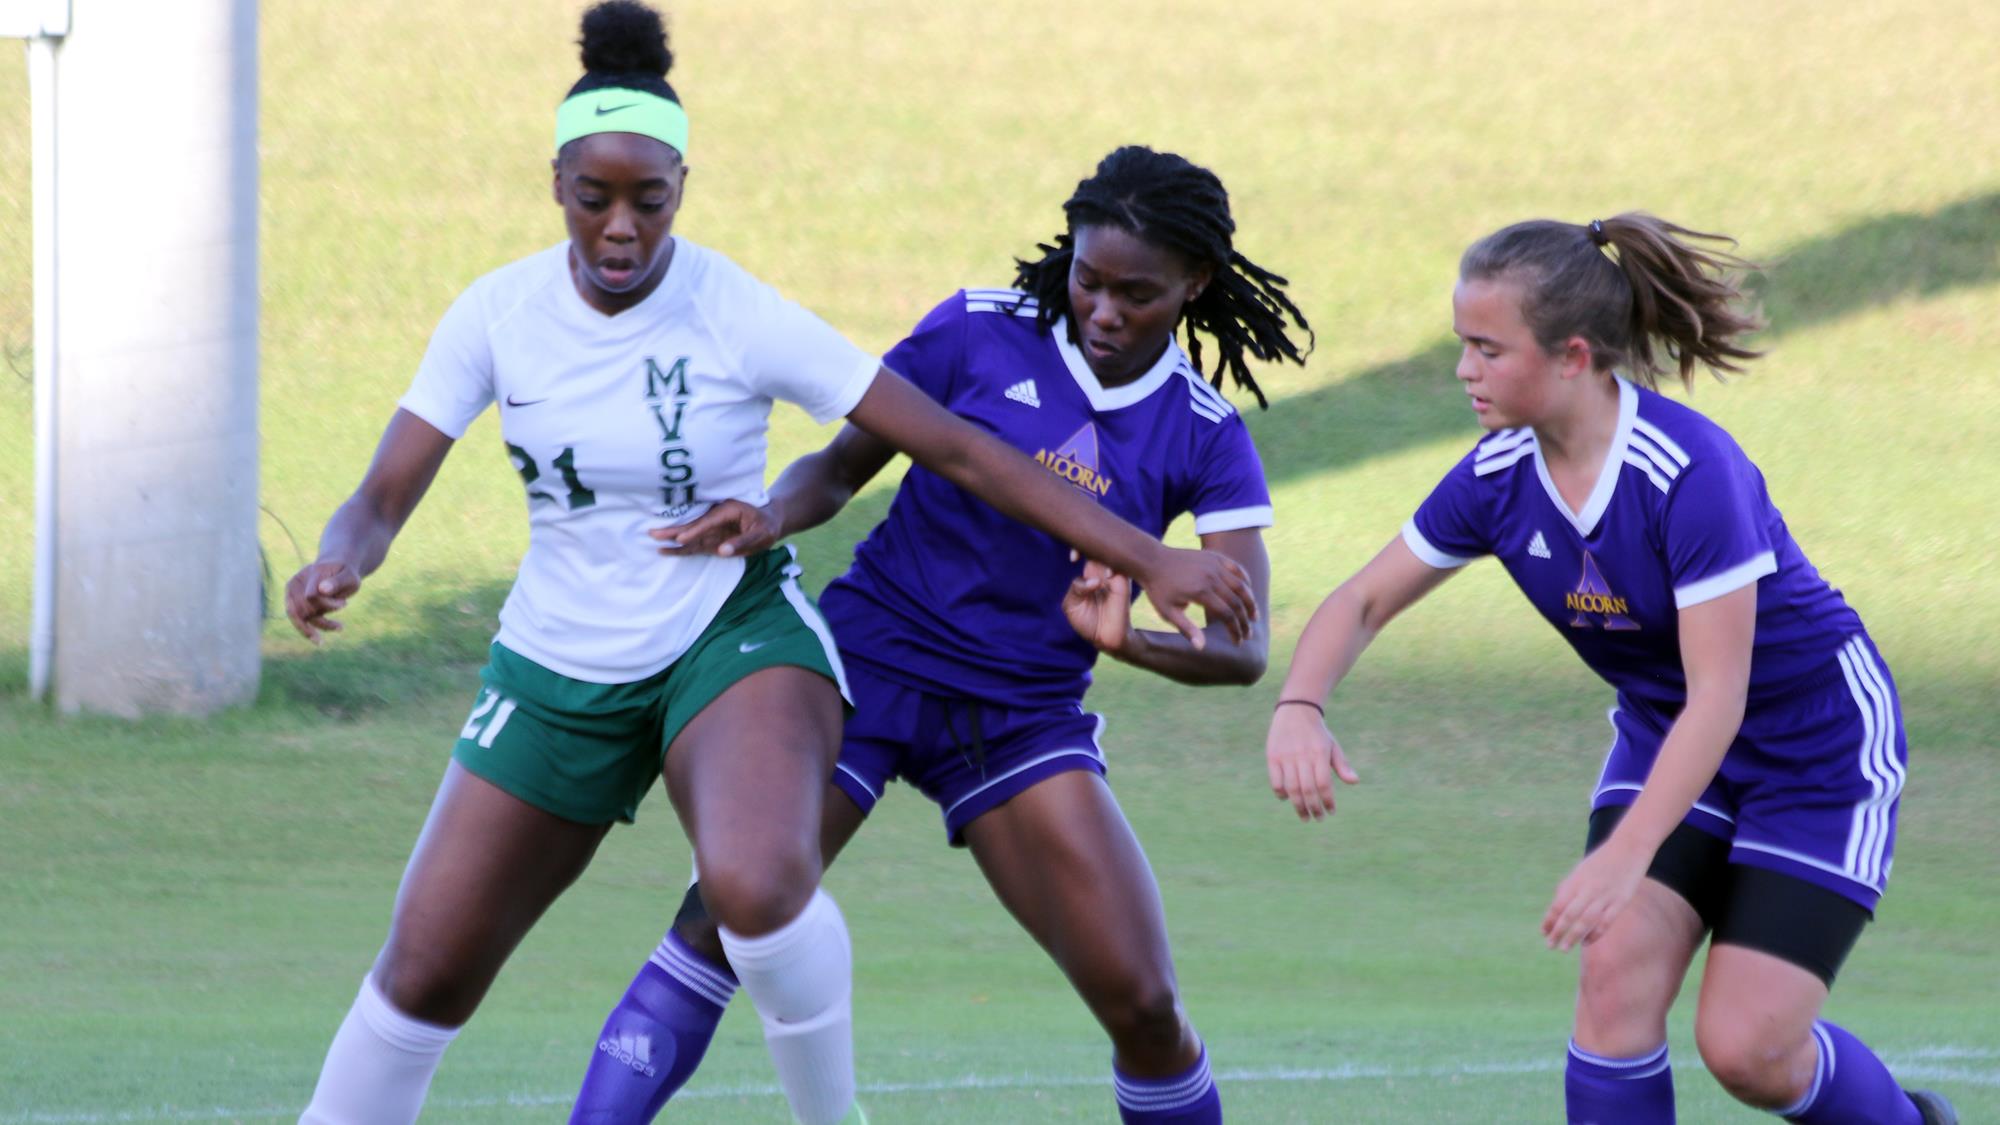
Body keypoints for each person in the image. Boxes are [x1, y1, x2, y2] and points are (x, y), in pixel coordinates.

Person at [283, 7, 1258, 1123]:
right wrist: (339, 559)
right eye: (590, 197)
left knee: (1100, 986)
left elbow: (966, 459)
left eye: (645, 201)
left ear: (680, 189)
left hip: (884, 677)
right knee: (489, 959)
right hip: (736, 658)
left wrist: (1138, 596)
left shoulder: (740, 308)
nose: (616, 228)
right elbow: (385, 495)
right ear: (553, 182)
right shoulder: (499, 312)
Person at [567, 144, 1312, 1124]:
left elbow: (1242, 652)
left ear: (1193, 285)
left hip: (1018, 715)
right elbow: (835, 472)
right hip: (864, 662)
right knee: (720, 920)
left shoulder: (1204, 431)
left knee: (1145, 1005)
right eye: (1088, 279)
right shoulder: (973, 332)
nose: (1102, 309)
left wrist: (1130, 644)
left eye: (1137, 293)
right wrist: (770, 513)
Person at [1263, 214, 1957, 1124]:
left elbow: (1723, 691)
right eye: (1461, 345)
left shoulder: (1687, 471)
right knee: (1614, 980)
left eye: (1485, 348)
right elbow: (1361, 600)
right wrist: (1300, 703)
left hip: (1814, 748)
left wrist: (1630, 851)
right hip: (1671, 730)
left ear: (1572, 356)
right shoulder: (1497, 474)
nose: (1463, 370)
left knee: (1749, 1051)